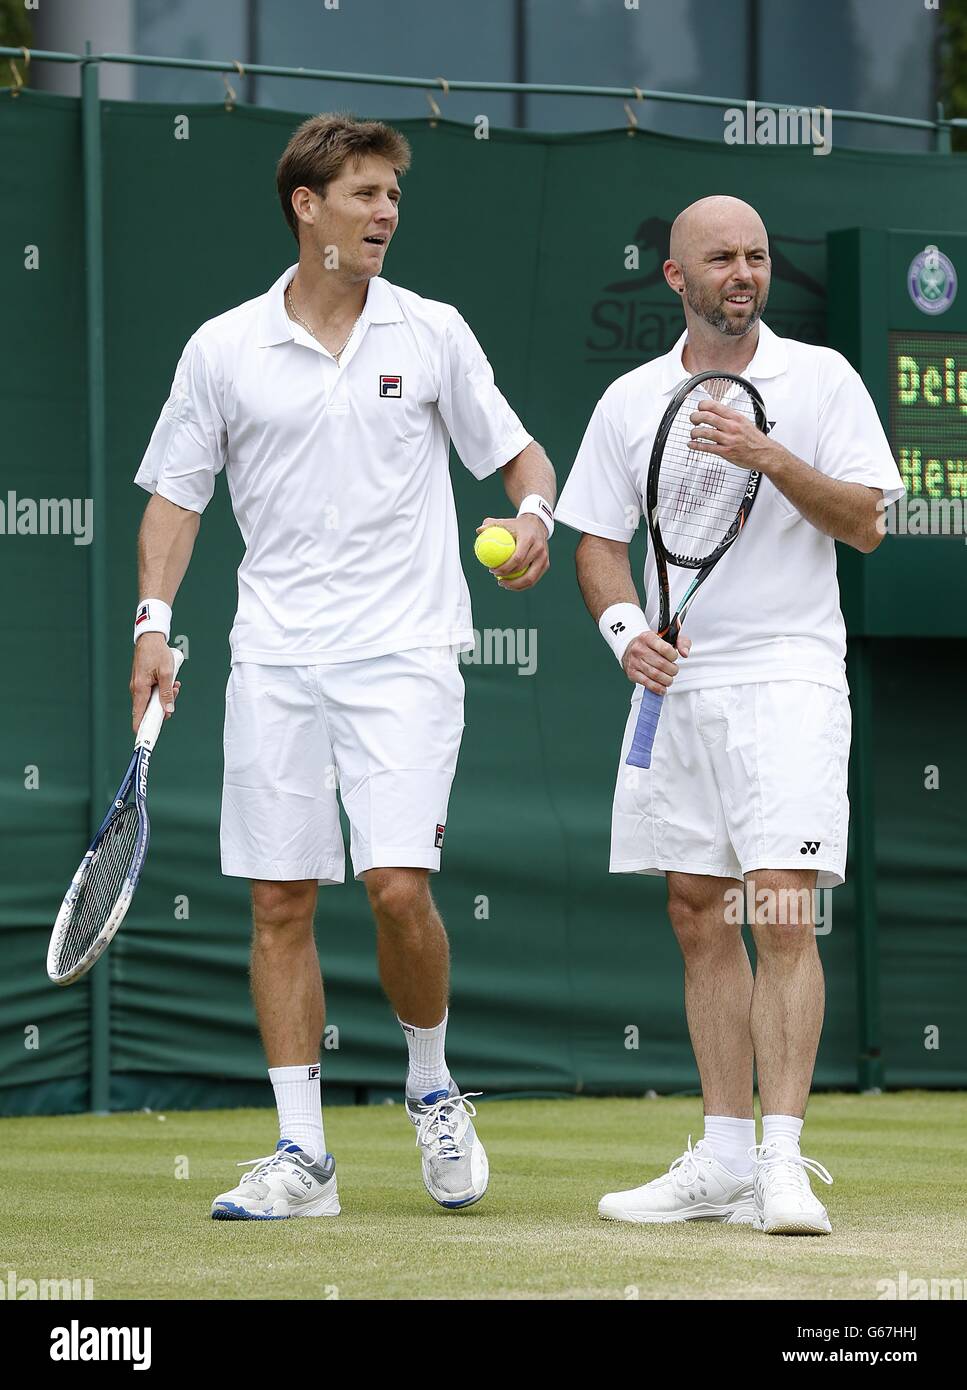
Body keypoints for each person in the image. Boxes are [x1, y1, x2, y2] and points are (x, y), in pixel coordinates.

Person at [130, 114, 555, 1220]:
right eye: (364, 195)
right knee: (278, 900)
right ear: (304, 206)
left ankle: (430, 1086)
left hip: (406, 652)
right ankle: (303, 1155)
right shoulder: (222, 347)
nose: (385, 216)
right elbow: (176, 498)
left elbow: (516, 456)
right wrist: (149, 622)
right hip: (273, 654)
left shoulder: (434, 331)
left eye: (393, 199)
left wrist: (536, 515)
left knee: (396, 885)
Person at [555, 195, 903, 1235]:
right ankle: (719, 1157)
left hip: (790, 674)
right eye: (720, 258)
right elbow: (593, 539)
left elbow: (867, 524)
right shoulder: (629, 399)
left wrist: (770, 459)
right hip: (677, 688)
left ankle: (783, 1163)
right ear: (676, 277)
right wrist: (626, 633)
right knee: (695, 911)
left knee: (780, 905)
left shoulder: (820, 379)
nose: (742, 273)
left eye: (755, 256)